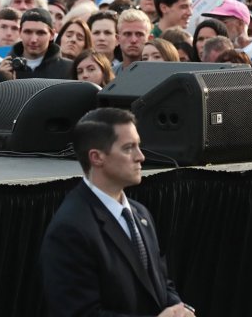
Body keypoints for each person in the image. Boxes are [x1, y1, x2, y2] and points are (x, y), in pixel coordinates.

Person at [39, 108, 192, 317]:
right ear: (97, 157)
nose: (141, 156)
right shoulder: (71, 229)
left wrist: (180, 310)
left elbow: (159, 282)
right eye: (129, 148)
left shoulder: (141, 214)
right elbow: (78, 313)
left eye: (138, 145)